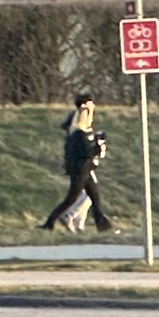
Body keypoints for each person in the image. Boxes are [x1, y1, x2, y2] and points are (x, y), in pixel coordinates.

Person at [41, 93, 114, 233]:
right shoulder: (79, 134)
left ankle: (103, 226)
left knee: (95, 199)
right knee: (71, 199)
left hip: (85, 170)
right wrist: (98, 147)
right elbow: (86, 152)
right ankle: (50, 222)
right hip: (81, 171)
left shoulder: (80, 132)